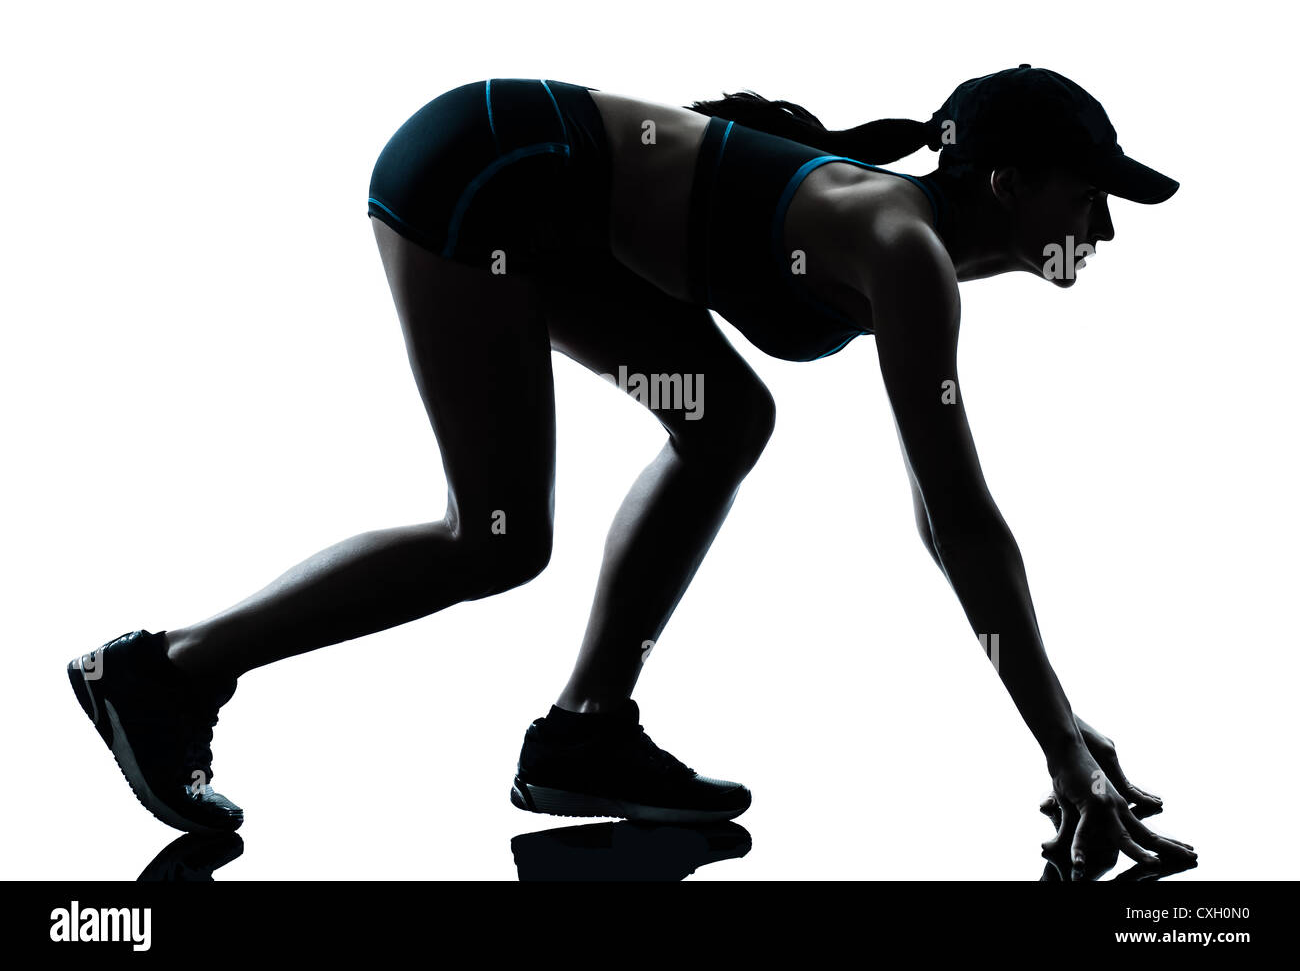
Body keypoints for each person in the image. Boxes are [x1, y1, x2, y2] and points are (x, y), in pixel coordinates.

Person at [68, 65, 1196, 878]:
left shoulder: (901, 235)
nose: (1102, 224)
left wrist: (1056, 722)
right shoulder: (904, 249)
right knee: (499, 536)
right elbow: (956, 519)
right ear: (1008, 183)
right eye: (1088, 193)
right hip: (487, 169)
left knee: (725, 421)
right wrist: (1055, 734)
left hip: (544, 209)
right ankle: (162, 669)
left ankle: (585, 730)